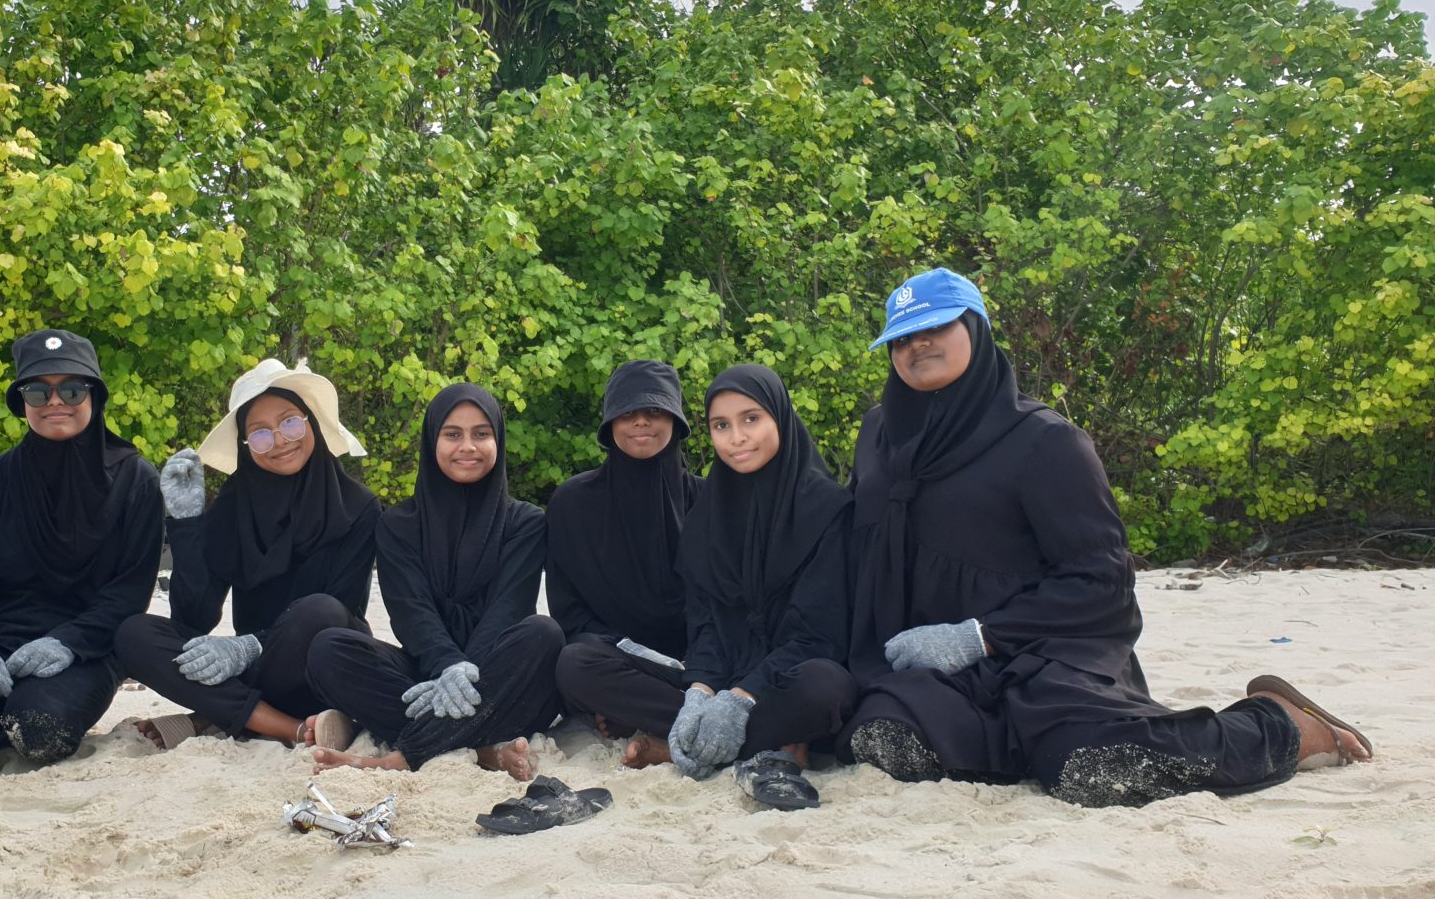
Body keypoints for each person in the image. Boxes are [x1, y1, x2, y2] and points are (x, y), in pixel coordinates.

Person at [839, 267, 1372, 806]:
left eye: (935, 327)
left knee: (1091, 766)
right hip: (927, 664)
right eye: (901, 337)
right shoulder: (880, 436)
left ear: (975, 329)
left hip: (1044, 655)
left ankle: (1283, 724)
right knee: (885, 738)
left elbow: (1101, 584)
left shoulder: (1046, 443)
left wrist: (977, 637)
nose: (917, 345)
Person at [0, 329, 163, 777]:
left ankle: (21, 708)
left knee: (39, 731)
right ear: (22, 402)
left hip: (87, 646)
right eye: (39, 390)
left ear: (95, 397)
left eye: (73, 389)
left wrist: (69, 643)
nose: (55, 401)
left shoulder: (136, 482)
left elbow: (128, 594)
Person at [304, 382, 563, 779]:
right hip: (427, 671)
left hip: (501, 671)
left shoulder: (525, 523)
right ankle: (483, 749)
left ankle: (405, 755)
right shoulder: (396, 525)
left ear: (498, 439)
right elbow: (412, 614)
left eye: (481, 434)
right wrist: (446, 668)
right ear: (431, 440)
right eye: (452, 434)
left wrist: (465, 670)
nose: (467, 446)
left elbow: (509, 610)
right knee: (328, 648)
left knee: (543, 635)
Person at [115, 359, 378, 747]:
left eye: (290, 422)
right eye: (260, 434)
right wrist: (187, 523)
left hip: (325, 666)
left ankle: (212, 715)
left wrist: (251, 645)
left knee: (318, 610)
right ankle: (286, 728)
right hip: (246, 672)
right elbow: (194, 619)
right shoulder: (234, 504)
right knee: (132, 633)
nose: (280, 440)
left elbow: (338, 611)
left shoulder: (359, 507)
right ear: (246, 446)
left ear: (311, 423)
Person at [654, 365, 858, 809]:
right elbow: (705, 626)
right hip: (724, 672)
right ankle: (756, 741)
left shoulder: (826, 507)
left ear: (780, 419)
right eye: (720, 425)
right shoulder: (707, 514)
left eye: (751, 419)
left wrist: (743, 699)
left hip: (786, 680)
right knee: (583, 663)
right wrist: (700, 693)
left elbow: (819, 634)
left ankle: (673, 743)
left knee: (825, 687)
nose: (736, 437)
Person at [548, 360, 705, 766]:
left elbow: (727, 607)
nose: (641, 423)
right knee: (574, 663)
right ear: (609, 423)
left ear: (676, 419)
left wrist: (702, 668)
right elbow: (571, 616)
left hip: (701, 666)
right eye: (628, 412)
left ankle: (648, 723)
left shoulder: (709, 502)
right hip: (617, 662)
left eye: (654, 411)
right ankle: (711, 726)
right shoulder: (573, 503)